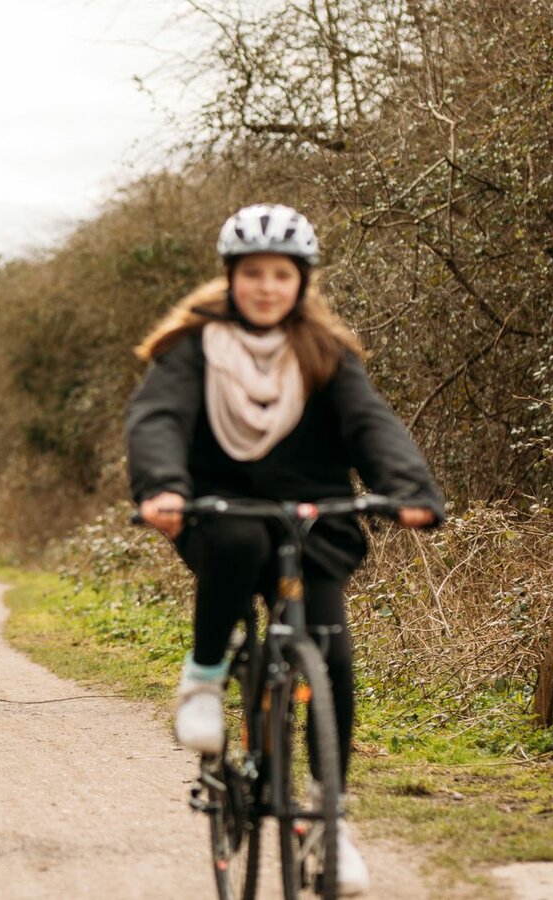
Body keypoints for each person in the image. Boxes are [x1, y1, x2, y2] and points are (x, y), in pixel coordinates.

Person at [125, 204, 443, 896]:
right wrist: (163, 488)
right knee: (237, 542)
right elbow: (158, 420)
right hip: (219, 508)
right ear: (231, 278)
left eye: (280, 274)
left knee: (331, 655)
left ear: (301, 281)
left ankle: (331, 824)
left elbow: (371, 424)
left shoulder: (325, 350)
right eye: (252, 274)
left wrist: (409, 488)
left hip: (313, 516)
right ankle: (204, 678)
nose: (266, 287)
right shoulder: (193, 348)